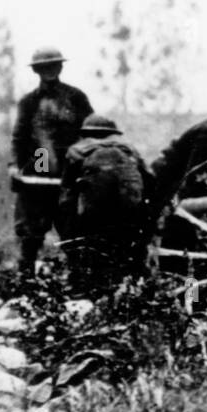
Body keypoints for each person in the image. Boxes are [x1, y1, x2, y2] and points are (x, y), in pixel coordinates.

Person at [11, 46, 94, 276]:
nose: (50, 71)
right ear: (36, 70)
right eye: (44, 67)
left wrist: (85, 155)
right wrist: (14, 166)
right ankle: (25, 282)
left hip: (70, 167)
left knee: (71, 230)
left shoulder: (76, 97)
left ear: (61, 67)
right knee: (32, 232)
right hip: (40, 164)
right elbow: (18, 138)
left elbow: (92, 129)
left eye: (54, 65)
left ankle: (79, 282)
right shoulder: (29, 102)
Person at [58, 114, 154, 291]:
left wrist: (67, 232)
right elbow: (150, 180)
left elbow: (66, 195)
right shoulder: (130, 150)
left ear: (86, 132)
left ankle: (86, 287)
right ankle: (137, 287)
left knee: (94, 256)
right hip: (130, 215)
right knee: (130, 256)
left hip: (94, 217)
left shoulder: (76, 151)